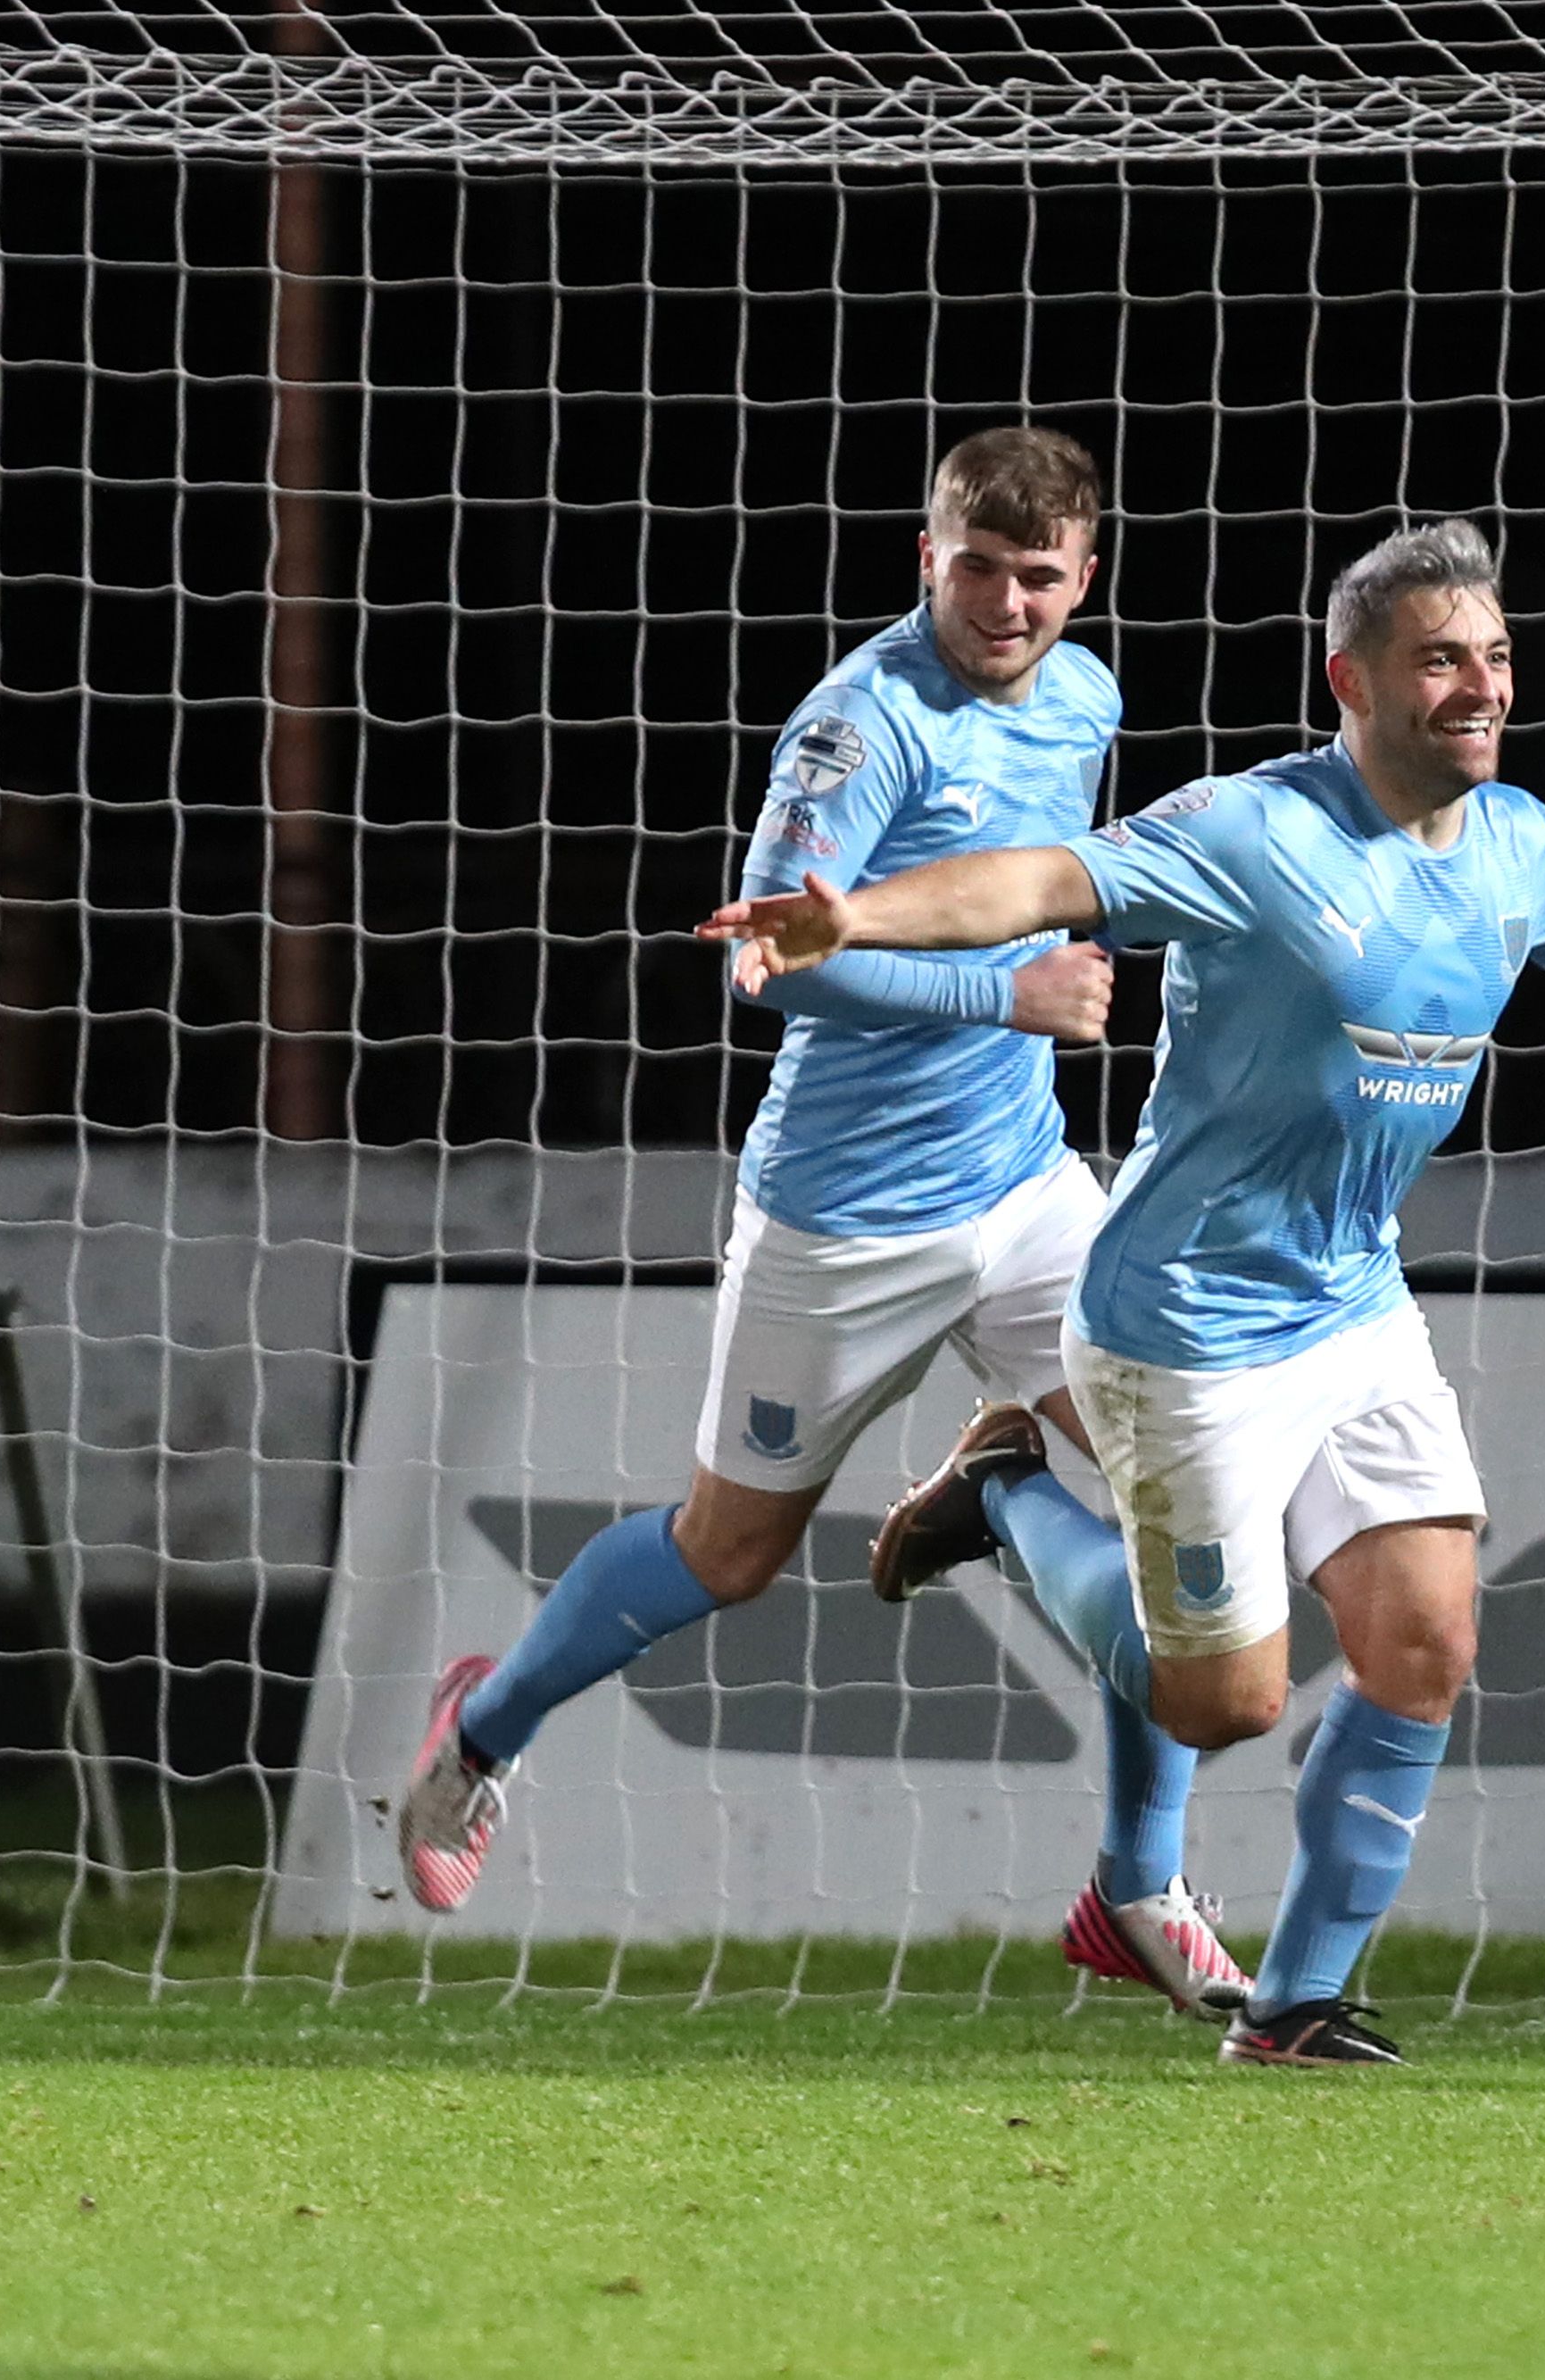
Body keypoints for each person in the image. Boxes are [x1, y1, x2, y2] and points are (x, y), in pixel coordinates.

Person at [710, 518, 1545, 2064]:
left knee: (1426, 1640)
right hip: (1184, 1325)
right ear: (1353, 681)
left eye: (1495, 656)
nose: (1480, 686)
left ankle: (1296, 2006)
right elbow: (1042, 878)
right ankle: (1007, 1496)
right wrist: (857, 912)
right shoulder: (1252, 831)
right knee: (1224, 1706)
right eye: (1439, 660)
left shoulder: (1514, 841)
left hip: (1353, 1302)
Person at [395, 427, 1252, 2018]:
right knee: (727, 1552)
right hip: (845, 1216)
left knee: (1180, 1500)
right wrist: (1006, 995)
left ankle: (1136, 1884)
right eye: (976, 568)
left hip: (1029, 1194)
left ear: (1087, 575)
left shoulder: (1087, 697)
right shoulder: (861, 726)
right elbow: (765, 961)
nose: (1005, 604)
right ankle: (481, 1731)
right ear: (928, 558)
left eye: (1039, 574)